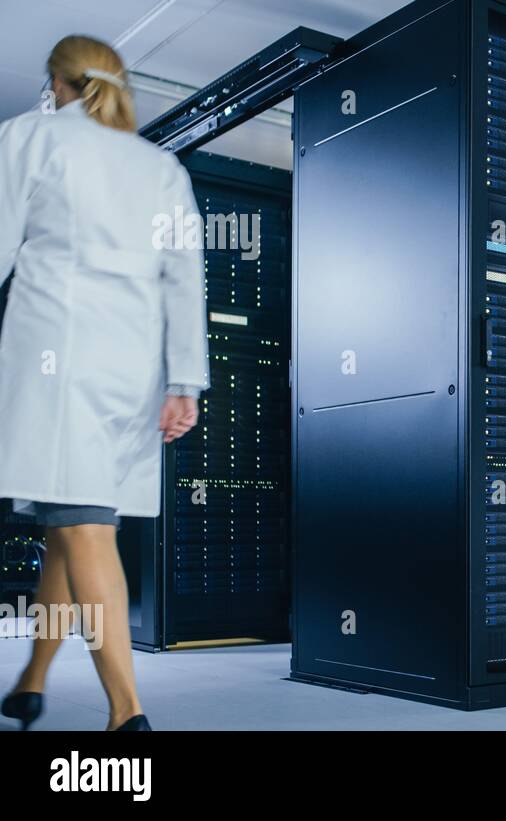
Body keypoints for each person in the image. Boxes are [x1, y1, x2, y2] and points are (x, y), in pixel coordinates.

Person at [0, 35, 209, 729]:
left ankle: (127, 714)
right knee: (70, 524)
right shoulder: (161, 167)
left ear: (55, 84)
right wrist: (186, 380)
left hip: (59, 360)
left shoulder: (29, 136)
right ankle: (32, 680)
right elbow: (184, 280)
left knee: (85, 528)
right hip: (134, 374)